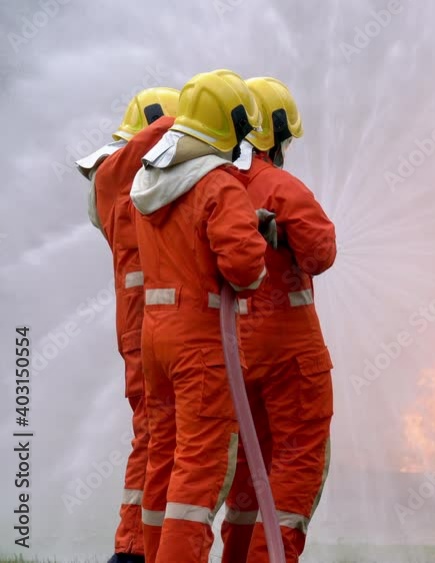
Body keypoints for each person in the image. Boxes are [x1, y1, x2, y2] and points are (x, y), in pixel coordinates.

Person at [129, 68, 268, 563]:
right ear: (229, 125)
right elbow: (245, 269)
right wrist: (255, 236)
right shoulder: (217, 186)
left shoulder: (149, 179)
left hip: (154, 338)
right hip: (200, 345)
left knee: (162, 461)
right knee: (199, 470)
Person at [220, 76, 336, 563]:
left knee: (248, 471)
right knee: (297, 462)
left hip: (235, 353)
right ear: (276, 132)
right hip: (291, 356)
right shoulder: (281, 186)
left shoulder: (217, 187)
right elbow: (321, 253)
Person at [75, 86, 180, 563]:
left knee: (160, 433)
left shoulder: (125, 181)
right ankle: (133, 549)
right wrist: (201, 118)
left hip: (146, 325)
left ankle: (143, 547)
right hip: (146, 327)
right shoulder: (117, 177)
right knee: (156, 433)